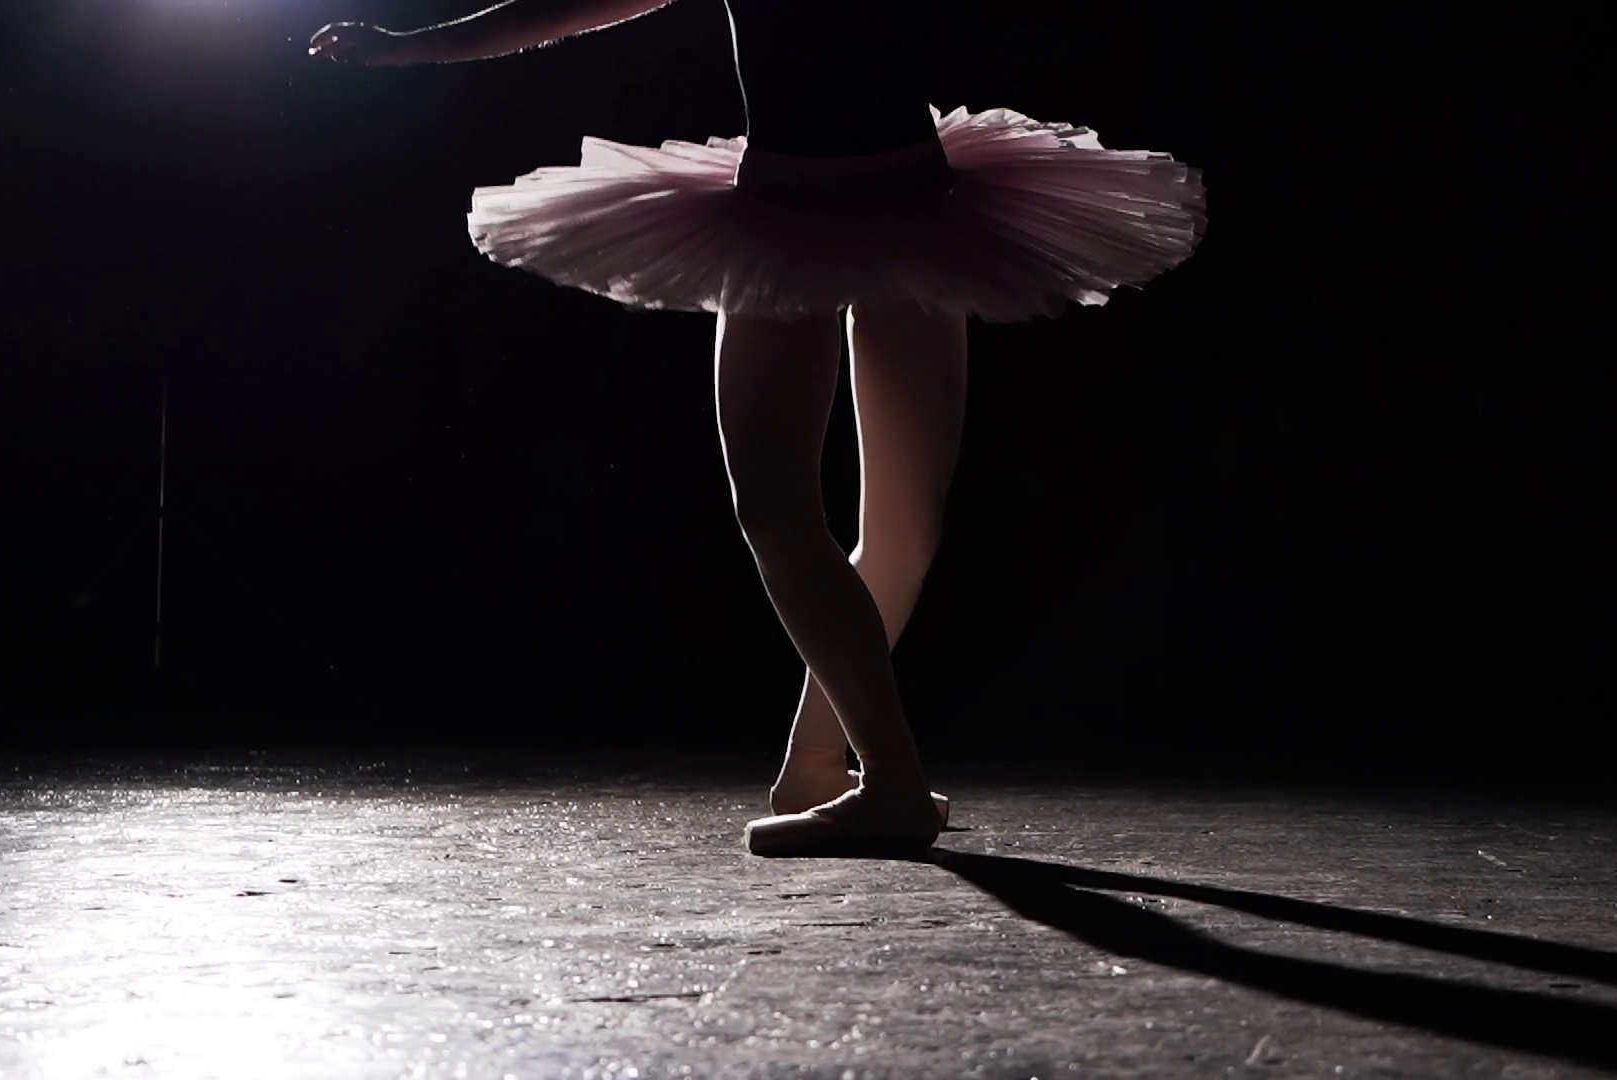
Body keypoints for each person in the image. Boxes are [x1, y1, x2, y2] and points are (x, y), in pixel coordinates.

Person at [307, 0, 1207, 858]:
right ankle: (819, 765)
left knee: (805, 514)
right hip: (876, 201)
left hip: (864, 205)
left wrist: (403, 46)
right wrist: (405, 45)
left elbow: (565, 10)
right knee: (872, 523)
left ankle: (887, 782)